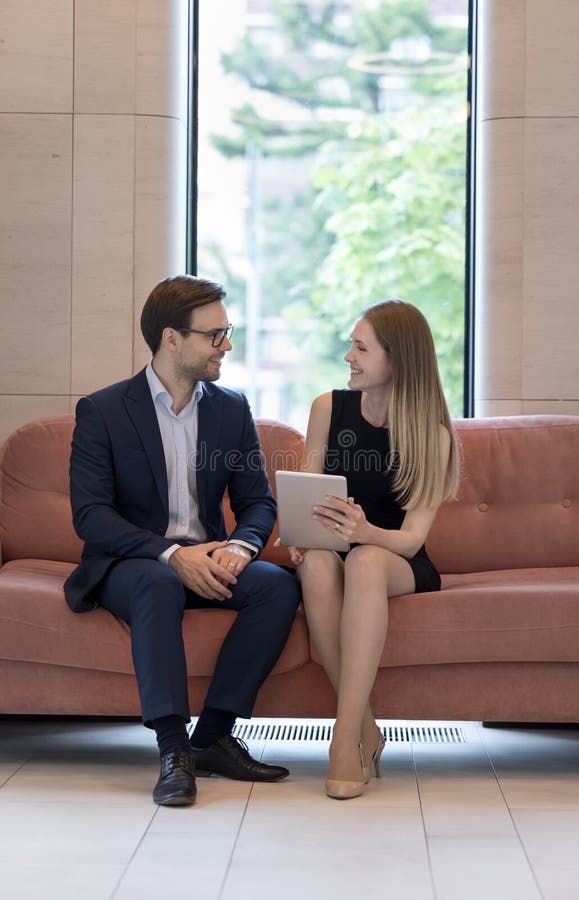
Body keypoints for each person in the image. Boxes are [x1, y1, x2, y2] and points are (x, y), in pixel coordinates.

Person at [64, 274, 301, 807]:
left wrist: (241, 549)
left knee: (277, 588)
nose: (228, 345)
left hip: (211, 556)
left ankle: (212, 737)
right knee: (157, 584)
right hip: (133, 563)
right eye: (215, 335)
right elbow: (91, 516)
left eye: (227, 332)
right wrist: (172, 553)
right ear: (172, 338)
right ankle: (173, 750)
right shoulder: (103, 411)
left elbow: (257, 503)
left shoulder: (229, 408)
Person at [286, 300, 458, 800]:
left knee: (364, 560)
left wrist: (364, 532)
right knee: (317, 565)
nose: (348, 357)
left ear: (396, 360)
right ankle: (363, 724)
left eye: (361, 348)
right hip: (336, 550)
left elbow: (411, 540)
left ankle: (343, 740)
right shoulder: (327, 408)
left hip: (395, 558)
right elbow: (308, 491)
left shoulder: (434, 435)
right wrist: (299, 533)